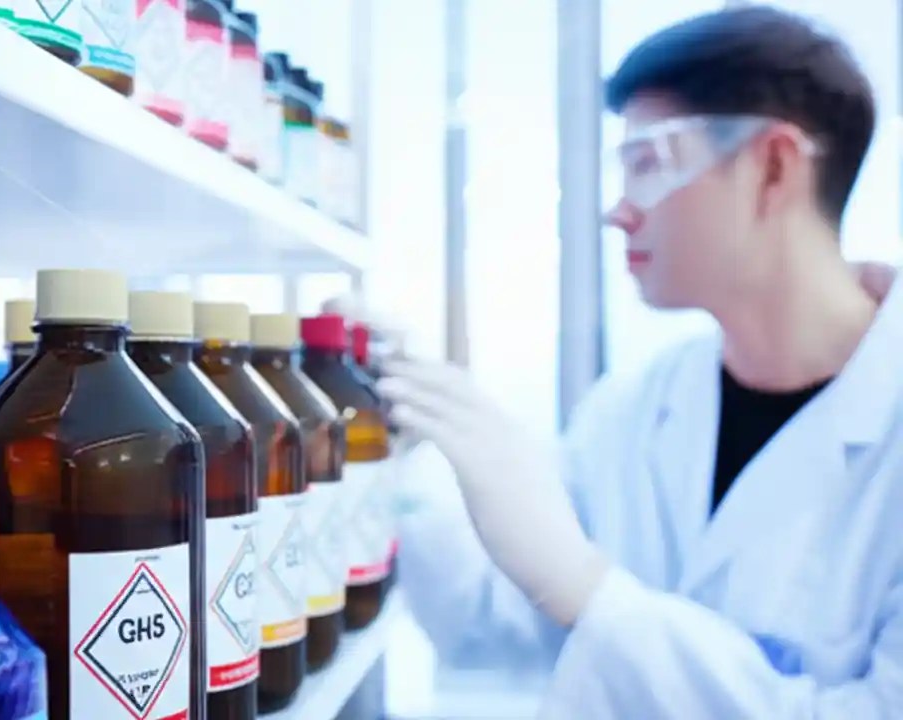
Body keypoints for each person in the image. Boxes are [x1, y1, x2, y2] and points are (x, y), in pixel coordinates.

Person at [379, 6, 903, 718]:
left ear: (774, 166)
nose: (618, 210)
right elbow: (491, 634)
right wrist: (418, 453)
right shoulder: (634, 408)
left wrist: (584, 582)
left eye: (648, 163)